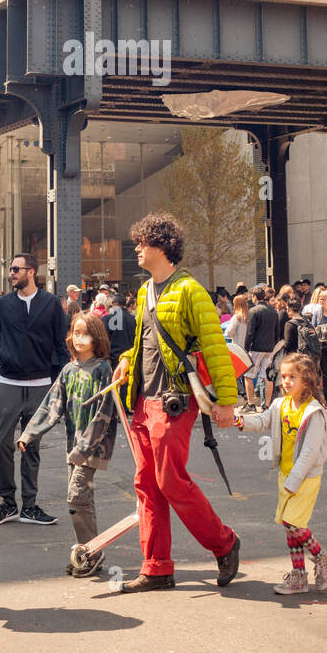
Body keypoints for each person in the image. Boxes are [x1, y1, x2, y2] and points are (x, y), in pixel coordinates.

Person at [111, 213, 240, 592]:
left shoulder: (190, 290)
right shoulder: (144, 290)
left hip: (175, 400)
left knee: (170, 481)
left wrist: (227, 403)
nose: (136, 248)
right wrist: (125, 364)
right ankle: (156, 567)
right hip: (142, 399)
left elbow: (216, 348)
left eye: (141, 242)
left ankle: (224, 542)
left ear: (162, 246)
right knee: (147, 485)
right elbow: (143, 344)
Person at [18, 312, 117, 576]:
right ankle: (89, 551)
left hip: (92, 447)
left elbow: (104, 414)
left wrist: (84, 447)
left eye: (85, 333)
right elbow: (51, 405)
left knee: (77, 495)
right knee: (81, 499)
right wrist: (29, 434)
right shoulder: (68, 370)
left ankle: (92, 552)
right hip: (73, 448)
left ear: (96, 337)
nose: (79, 337)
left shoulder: (103, 370)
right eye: (76, 332)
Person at [236, 352, 327, 594]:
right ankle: (299, 575)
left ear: (307, 379)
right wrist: (239, 421)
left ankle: (321, 557)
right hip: (285, 473)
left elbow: (310, 452)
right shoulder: (280, 404)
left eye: (292, 376)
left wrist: (294, 480)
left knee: (294, 523)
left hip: (305, 478)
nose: (286, 381)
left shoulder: (314, 412)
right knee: (289, 527)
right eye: (283, 376)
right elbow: (261, 421)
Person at [0, 253, 69, 526]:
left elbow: (60, 342)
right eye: (11, 269)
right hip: (8, 382)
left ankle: (30, 505)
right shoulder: (4, 304)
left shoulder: (51, 304)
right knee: (3, 445)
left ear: (31, 272)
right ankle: (7, 503)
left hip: (41, 383)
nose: (11, 274)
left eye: (16, 269)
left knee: (32, 446)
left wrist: (61, 379)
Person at [301, 285, 327, 407]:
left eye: (323, 299)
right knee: (325, 371)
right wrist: (323, 328)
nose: (321, 301)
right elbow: (312, 329)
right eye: (320, 299)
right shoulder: (316, 313)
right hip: (321, 345)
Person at [104, 292, 135, 369]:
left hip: (114, 358)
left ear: (116, 303)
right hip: (129, 358)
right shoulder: (132, 319)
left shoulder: (108, 318)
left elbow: (104, 338)